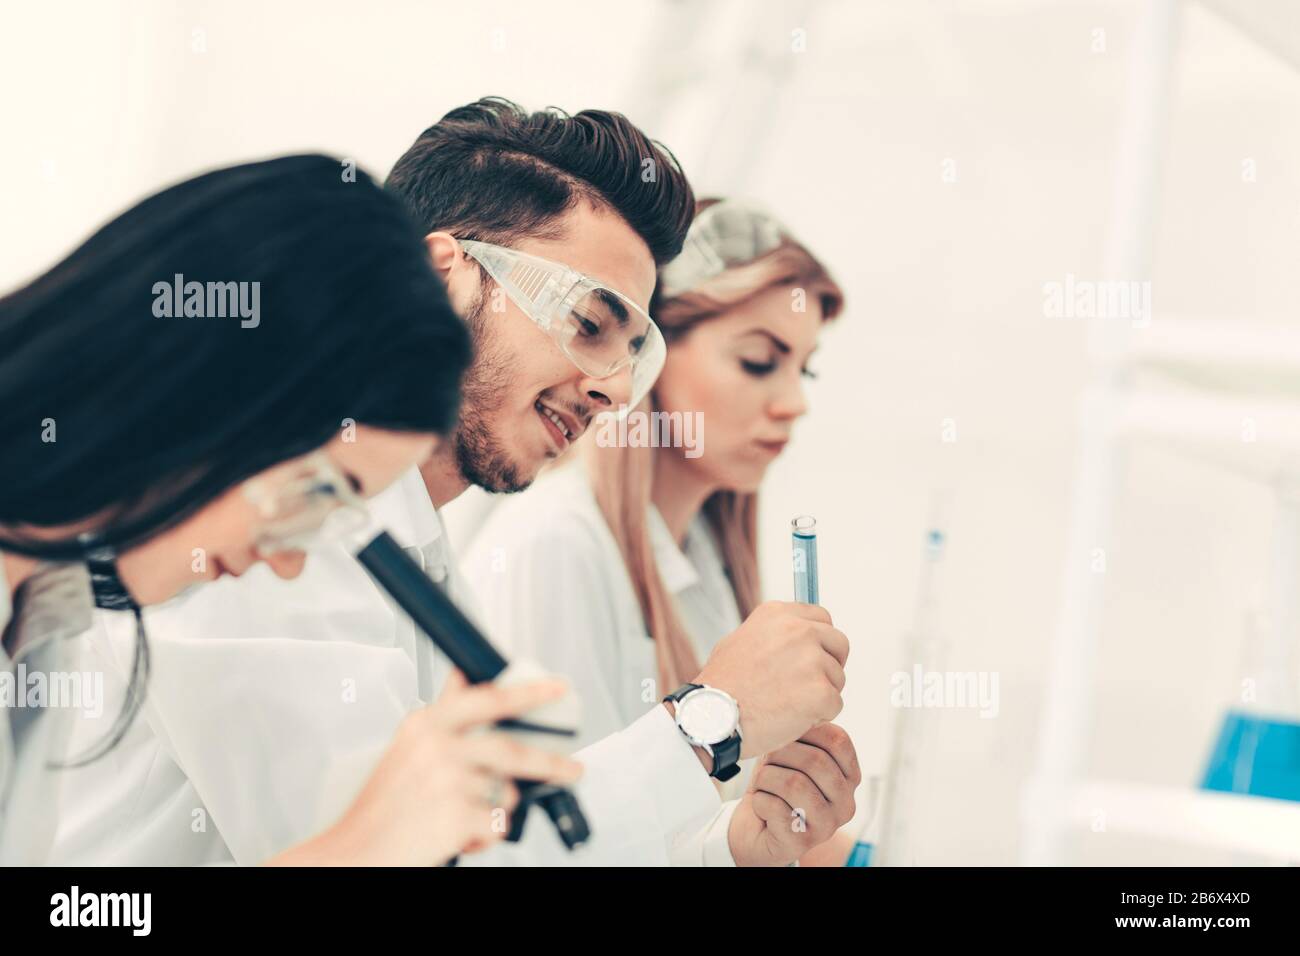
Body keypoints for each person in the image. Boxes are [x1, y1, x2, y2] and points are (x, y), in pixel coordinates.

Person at [48, 99, 850, 867]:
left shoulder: (423, 561)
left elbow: (524, 838)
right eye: (589, 322)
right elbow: (408, 854)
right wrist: (708, 725)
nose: (610, 387)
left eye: (635, 357)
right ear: (445, 278)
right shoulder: (277, 529)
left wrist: (729, 849)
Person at [0, 154, 581, 866]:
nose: (286, 561)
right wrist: (361, 845)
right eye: (316, 490)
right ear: (209, 382)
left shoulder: (50, 609)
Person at [462, 198, 861, 865]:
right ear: (651, 355)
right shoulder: (554, 546)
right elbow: (549, 850)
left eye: (804, 368)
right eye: (761, 362)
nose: (794, 403)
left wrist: (770, 842)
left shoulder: (704, 563)